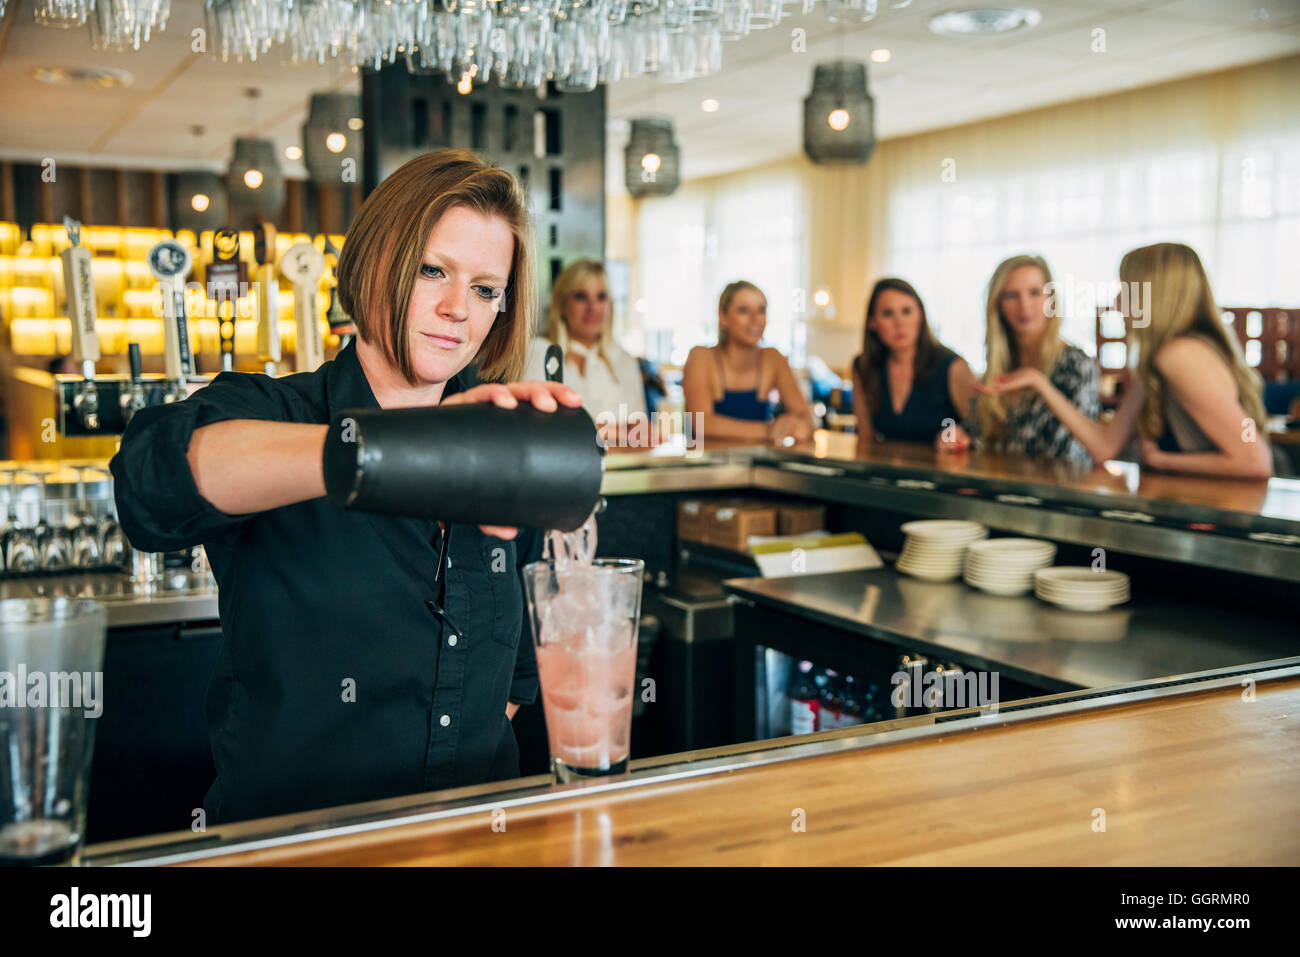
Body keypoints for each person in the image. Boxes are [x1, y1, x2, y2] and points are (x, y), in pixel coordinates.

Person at [110, 149, 583, 825]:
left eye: (485, 289)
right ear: (372, 265)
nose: (457, 309)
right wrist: (396, 453)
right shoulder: (274, 411)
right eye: (432, 270)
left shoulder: (500, 435)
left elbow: (518, 670)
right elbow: (149, 488)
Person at [978, 242, 1274, 479]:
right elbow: (1104, 446)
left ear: (1156, 294)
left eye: (1126, 288)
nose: (1118, 301)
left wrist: (1161, 460)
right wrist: (1039, 382)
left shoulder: (1180, 355)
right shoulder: (1161, 359)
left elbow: (1255, 461)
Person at [968, 254, 1100, 466]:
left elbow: (1071, 451)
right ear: (998, 304)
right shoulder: (998, 364)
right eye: (1011, 295)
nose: (1025, 305)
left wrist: (1037, 381)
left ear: (1051, 299)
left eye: (1035, 292)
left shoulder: (1076, 364)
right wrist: (959, 439)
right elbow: (980, 436)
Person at [851, 277, 979, 453]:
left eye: (907, 311)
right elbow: (865, 440)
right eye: (888, 314)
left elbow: (983, 433)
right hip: (889, 474)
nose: (899, 323)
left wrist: (961, 435)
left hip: (946, 474)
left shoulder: (953, 367)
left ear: (920, 315)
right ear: (872, 322)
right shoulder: (863, 366)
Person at [524, 259, 648, 436]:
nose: (593, 308)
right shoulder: (539, 352)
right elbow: (539, 428)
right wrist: (618, 433)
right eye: (581, 297)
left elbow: (640, 429)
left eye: (601, 297)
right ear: (562, 304)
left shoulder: (624, 359)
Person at [682, 280, 813, 445]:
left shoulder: (773, 358)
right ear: (723, 317)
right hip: (710, 465)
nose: (755, 319)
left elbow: (804, 415)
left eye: (761, 310)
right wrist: (769, 430)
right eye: (744, 310)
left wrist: (800, 427)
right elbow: (700, 424)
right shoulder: (701, 357)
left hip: (757, 465)